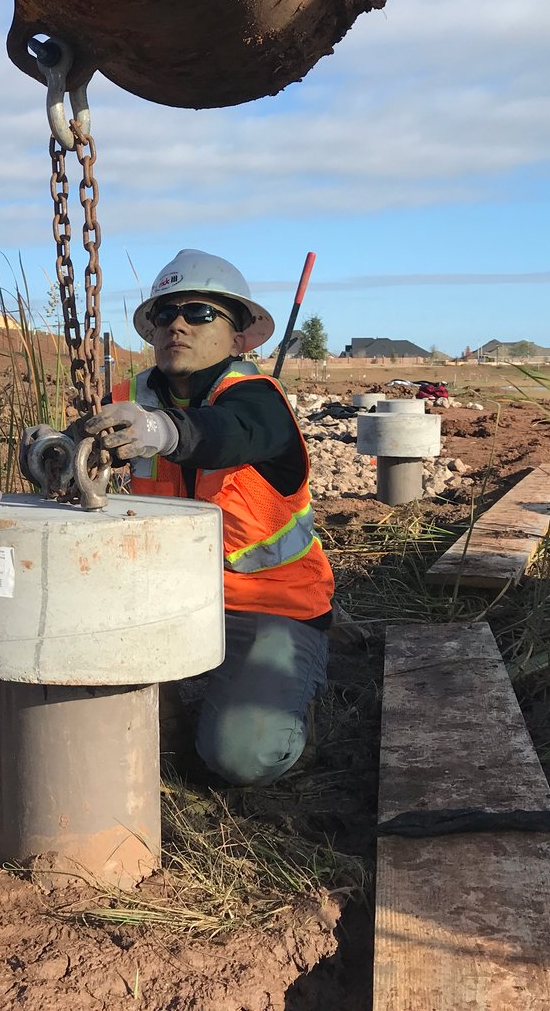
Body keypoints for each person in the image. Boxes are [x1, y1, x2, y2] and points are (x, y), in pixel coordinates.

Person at [29, 249, 335, 786]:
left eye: (199, 313)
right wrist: (61, 456)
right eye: (165, 314)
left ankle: (294, 697)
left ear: (240, 337)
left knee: (241, 756)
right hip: (166, 599)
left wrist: (163, 432)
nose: (177, 324)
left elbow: (224, 433)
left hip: (269, 608)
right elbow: (84, 461)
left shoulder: (258, 402)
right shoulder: (128, 399)